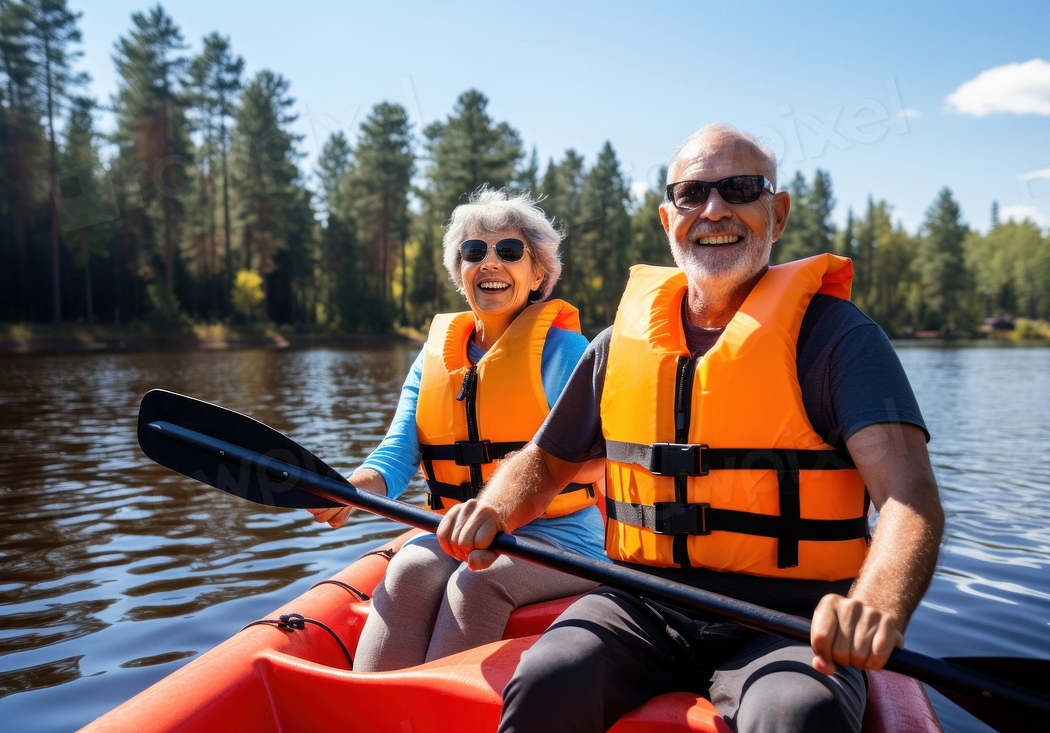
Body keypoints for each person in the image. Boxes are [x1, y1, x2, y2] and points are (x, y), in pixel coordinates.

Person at [436, 124, 945, 733]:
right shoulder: (615, 348)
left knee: (797, 713)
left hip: (788, 622)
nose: (713, 210)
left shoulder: (839, 339)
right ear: (667, 217)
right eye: (692, 194)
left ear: (776, 213)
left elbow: (908, 499)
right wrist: (494, 506)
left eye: (739, 189)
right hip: (640, 602)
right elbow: (546, 462)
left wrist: (876, 603)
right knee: (548, 677)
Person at [310, 187, 605, 672]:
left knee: (477, 582)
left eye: (509, 251)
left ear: (538, 275)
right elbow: (394, 457)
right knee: (407, 568)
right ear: (460, 272)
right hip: (455, 530)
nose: (489, 263)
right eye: (474, 252)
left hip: (562, 537)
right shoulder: (432, 361)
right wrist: (349, 490)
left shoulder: (567, 354)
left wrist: (509, 499)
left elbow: (603, 458)